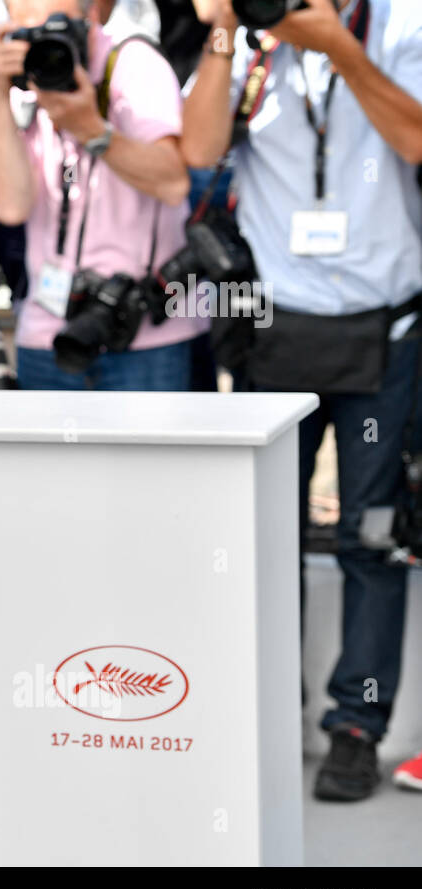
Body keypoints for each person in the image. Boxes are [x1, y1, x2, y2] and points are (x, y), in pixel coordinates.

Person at [181, 0, 422, 801]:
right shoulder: (252, 40)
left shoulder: (397, 24)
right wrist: (223, 28)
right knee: (264, 537)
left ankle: (356, 725)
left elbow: (418, 138)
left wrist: (340, 49)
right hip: (277, 330)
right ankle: (258, 717)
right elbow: (201, 150)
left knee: (370, 532)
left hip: (383, 328)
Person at [0, 0, 207, 390]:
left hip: (142, 334)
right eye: (30, 35)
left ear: (91, 19)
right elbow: (9, 206)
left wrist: (91, 129)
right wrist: (0, 96)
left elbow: (173, 183)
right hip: (46, 330)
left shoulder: (133, 63)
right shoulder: (22, 78)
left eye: (57, 29)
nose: (47, 48)